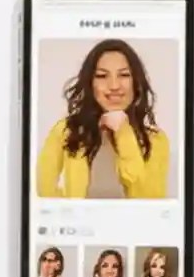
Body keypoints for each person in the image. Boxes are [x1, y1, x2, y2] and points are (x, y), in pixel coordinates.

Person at [37, 39, 169, 199]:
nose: (114, 85)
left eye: (124, 75)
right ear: (90, 83)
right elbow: (43, 190)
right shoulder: (65, 131)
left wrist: (123, 132)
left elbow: (149, 202)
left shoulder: (156, 140)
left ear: (136, 83)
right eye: (102, 76)